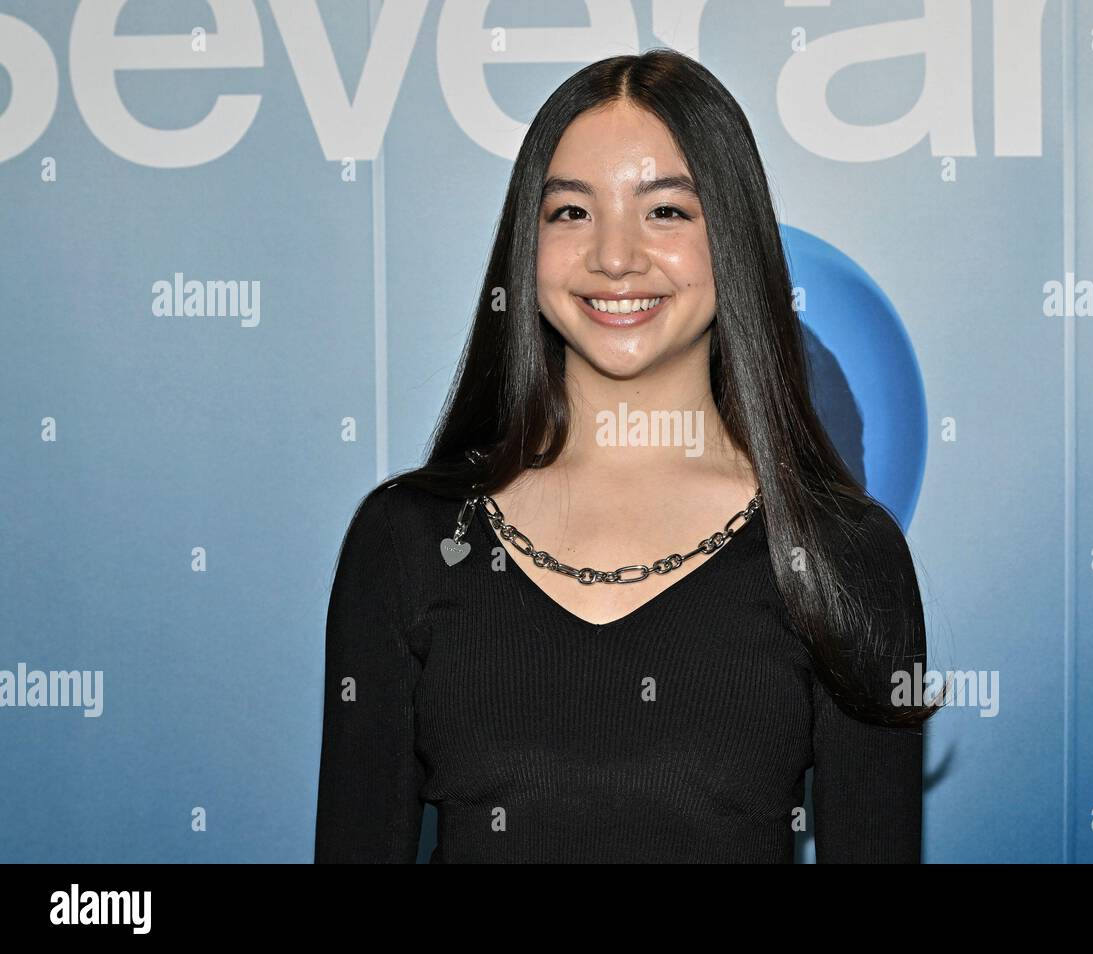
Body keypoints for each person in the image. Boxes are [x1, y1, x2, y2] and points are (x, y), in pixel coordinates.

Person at [314, 48, 942, 864]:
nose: (615, 257)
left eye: (666, 212)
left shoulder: (843, 555)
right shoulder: (408, 540)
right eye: (571, 212)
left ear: (735, 239)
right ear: (524, 246)